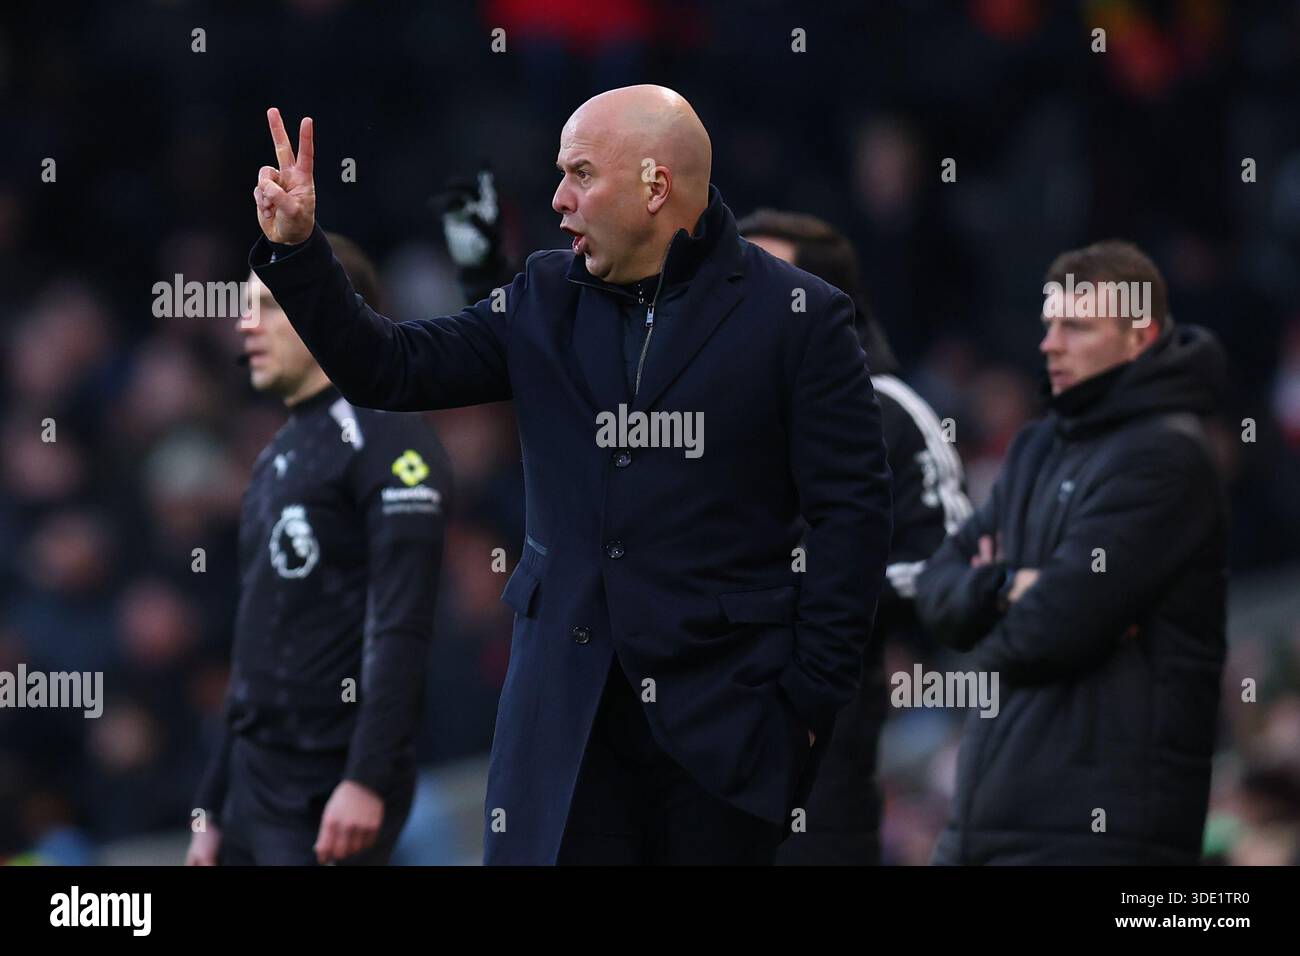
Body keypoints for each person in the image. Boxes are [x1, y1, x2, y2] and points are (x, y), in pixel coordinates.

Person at [248, 85, 893, 865]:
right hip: (558, 726)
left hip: (725, 733)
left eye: (580, 173)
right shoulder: (543, 295)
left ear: (655, 187)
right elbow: (390, 368)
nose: (557, 200)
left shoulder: (800, 316)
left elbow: (852, 518)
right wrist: (298, 251)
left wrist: (808, 704)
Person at [915, 240, 1228, 864]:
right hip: (988, 822)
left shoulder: (1167, 457)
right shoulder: (1036, 447)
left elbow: (1046, 631)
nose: (1048, 343)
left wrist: (1004, 597)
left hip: (1100, 836)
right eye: (1049, 322)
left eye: (1076, 326)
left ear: (1138, 337)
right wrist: (1009, 586)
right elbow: (935, 590)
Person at [185, 234, 452, 865]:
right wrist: (212, 805)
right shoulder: (277, 457)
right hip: (252, 789)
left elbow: (401, 626)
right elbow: (251, 647)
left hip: (325, 785)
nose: (246, 324)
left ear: (332, 304)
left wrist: (364, 779)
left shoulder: (390, 437)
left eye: (270, 307)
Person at [736, 209, 971, 865]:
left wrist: (818, 582)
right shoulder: (702, 417)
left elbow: (946, 567)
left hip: (822, 758)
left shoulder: (888, 410)